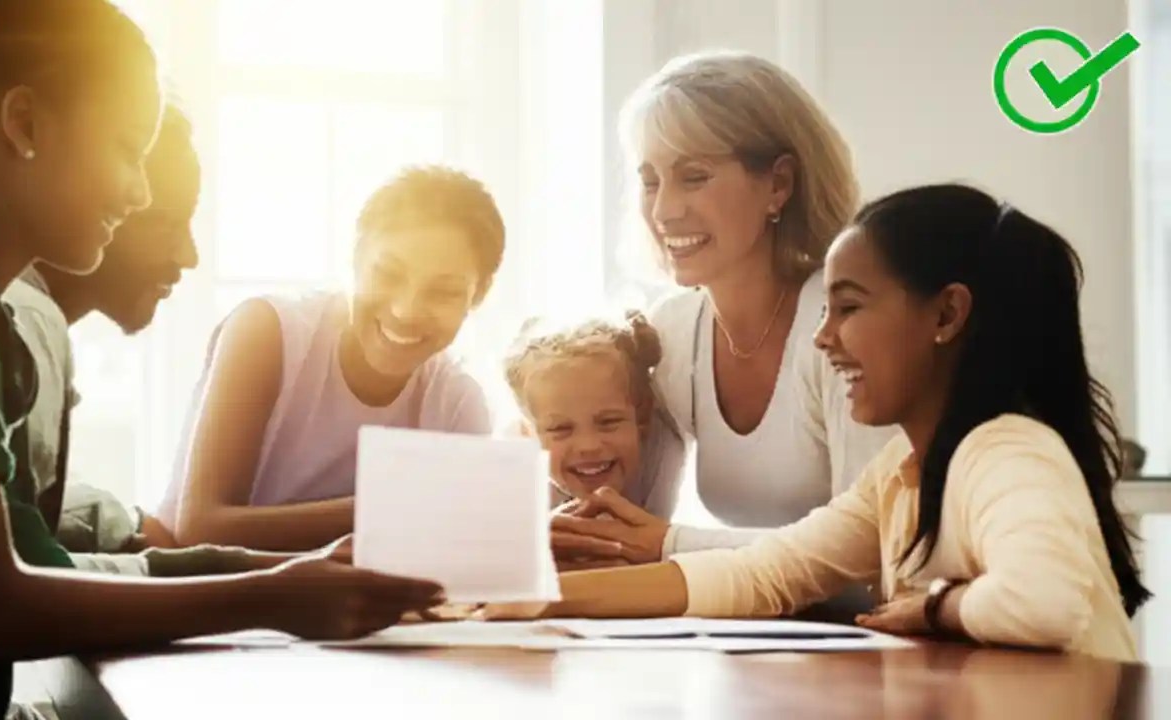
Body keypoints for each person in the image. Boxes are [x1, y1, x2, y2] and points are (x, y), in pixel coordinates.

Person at [0, 2, 441, 715]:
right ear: (24, 124)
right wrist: (269, 597)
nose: (140, 192)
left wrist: (297, 573)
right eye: (126, 148)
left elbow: (37, 564)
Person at [485, 184, 1149, 662]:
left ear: (946, 316)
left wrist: (934, 608)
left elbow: (1043, 604)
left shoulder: (1009, 451)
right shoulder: (898, 475)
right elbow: (764, 574)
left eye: (848, 308)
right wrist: (542, 597)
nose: (823, 338)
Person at [551, 50, 897, 569]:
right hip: (764, 633)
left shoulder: (843, 328)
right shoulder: (673, 333)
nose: (664, 210)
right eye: (650, 182)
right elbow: (628, 520)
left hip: (881, 635)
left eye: (694, 177)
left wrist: (672, 544)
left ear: (778, 184)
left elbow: (874, 546)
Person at [159, 166, 504, 551]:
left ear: (479, 294)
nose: (406, 311)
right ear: (355, 260)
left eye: (444, 292)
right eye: (388, 274)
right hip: (197, 594)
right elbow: (200, 530)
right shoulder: (268, 332)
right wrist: (395, 509)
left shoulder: (457, 401)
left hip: (348, 608)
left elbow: (459, 549)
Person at [3, 104, 273, 577]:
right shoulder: (30, 319)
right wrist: (247, 583)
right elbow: (25, 573)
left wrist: (125, 527)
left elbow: (17, 508)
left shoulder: (24, 308)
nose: (188, 256)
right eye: (166, 221)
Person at [503, 311, 684, 511]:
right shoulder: (514, 494)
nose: (588, 446)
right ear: (528, 435)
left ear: (642, 417)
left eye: (608, 422)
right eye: (560, 428)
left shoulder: (663, 453)